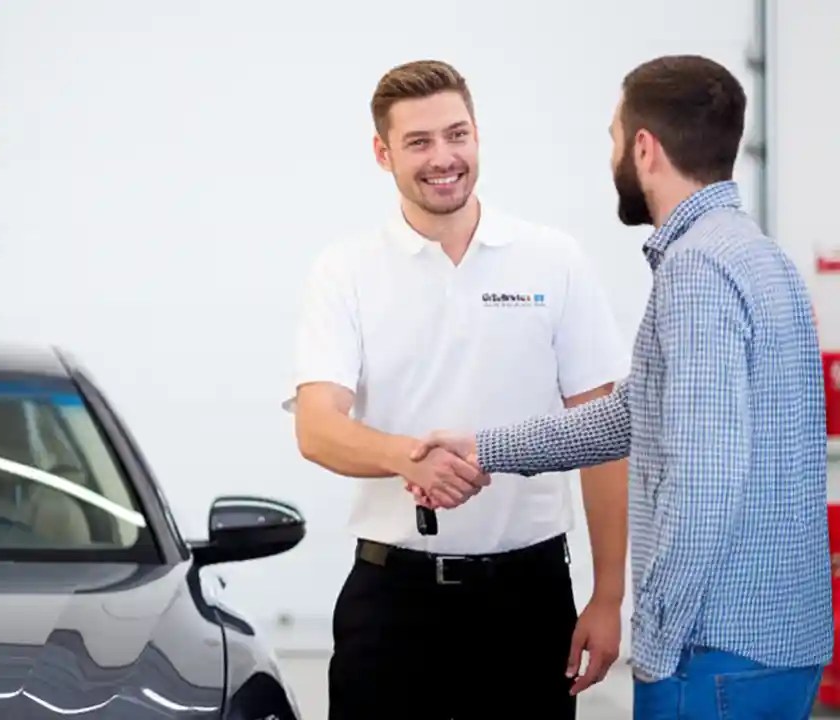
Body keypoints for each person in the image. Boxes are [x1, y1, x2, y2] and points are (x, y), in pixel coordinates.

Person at [411, 54, 834, 718]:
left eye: (613, 137)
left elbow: (706, 478)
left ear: (644, 147)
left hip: (712, 654)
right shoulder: (756, 256)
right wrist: (480, 448)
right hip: (777, 647)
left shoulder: (697, 272)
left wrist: (657, 640)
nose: (611, 154)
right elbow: (626, 417)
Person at [287, 59, 632, 719]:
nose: (443, 157)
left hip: (529, 600)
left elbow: (604, 436)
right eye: (418, 142)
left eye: (457, 135)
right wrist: (407, 458)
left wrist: (609, 597)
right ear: (382, 153)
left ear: (477, 135)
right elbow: (317, 425)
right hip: (393, 599)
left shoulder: (553, 260)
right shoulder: (345, 270)